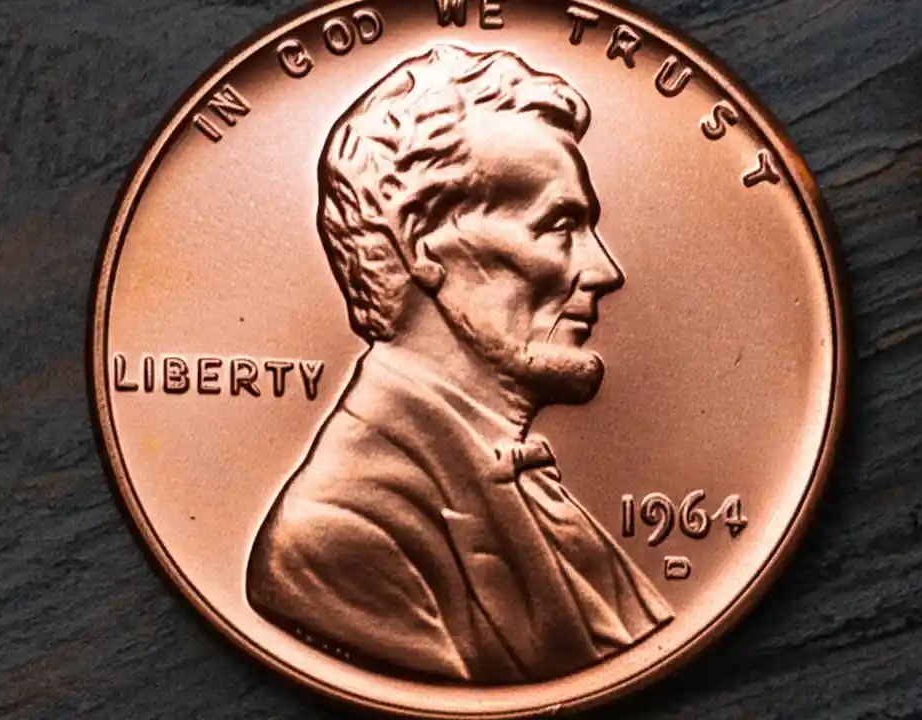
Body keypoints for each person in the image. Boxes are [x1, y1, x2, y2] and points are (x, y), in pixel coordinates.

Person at [246, 44, 672, 685]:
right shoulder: (337, 536)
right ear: (424, 247)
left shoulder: (519, 484)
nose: (605, 271)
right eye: (558, 226)